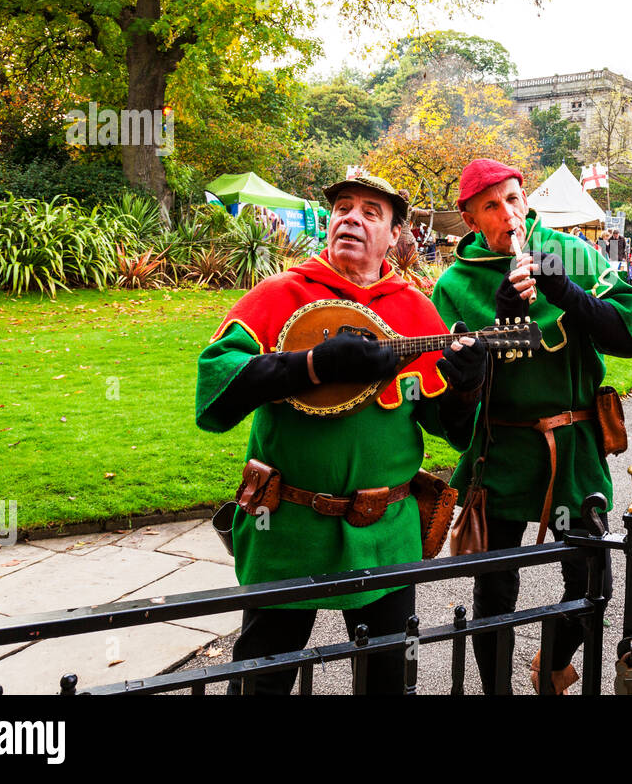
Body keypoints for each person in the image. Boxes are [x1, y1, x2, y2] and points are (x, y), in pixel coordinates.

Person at [195, 173, 487, 695]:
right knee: (262, 676)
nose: (351, 217)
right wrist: (308, 365)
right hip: (286, 526)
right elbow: (216, 389)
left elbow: (453, 429)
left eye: (371, 211)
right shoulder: (281, 292)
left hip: (385, 531)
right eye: (344, 208)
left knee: (387, 679)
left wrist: (466, 387)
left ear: (395, 234)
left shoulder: (416, 312)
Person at [431, 158, 632, 695]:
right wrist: (497, 328)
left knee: (594, 580)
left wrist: (566, 291)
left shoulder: (571, 251)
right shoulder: (455, 283)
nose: (508, 215)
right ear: (471, 219)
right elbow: (451, 392)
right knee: (494, 590)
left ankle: (551, 664)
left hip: (573, 445)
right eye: (491, 207)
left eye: (513, 199)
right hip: (500, 449)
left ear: (526, 198)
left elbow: (624, 337)